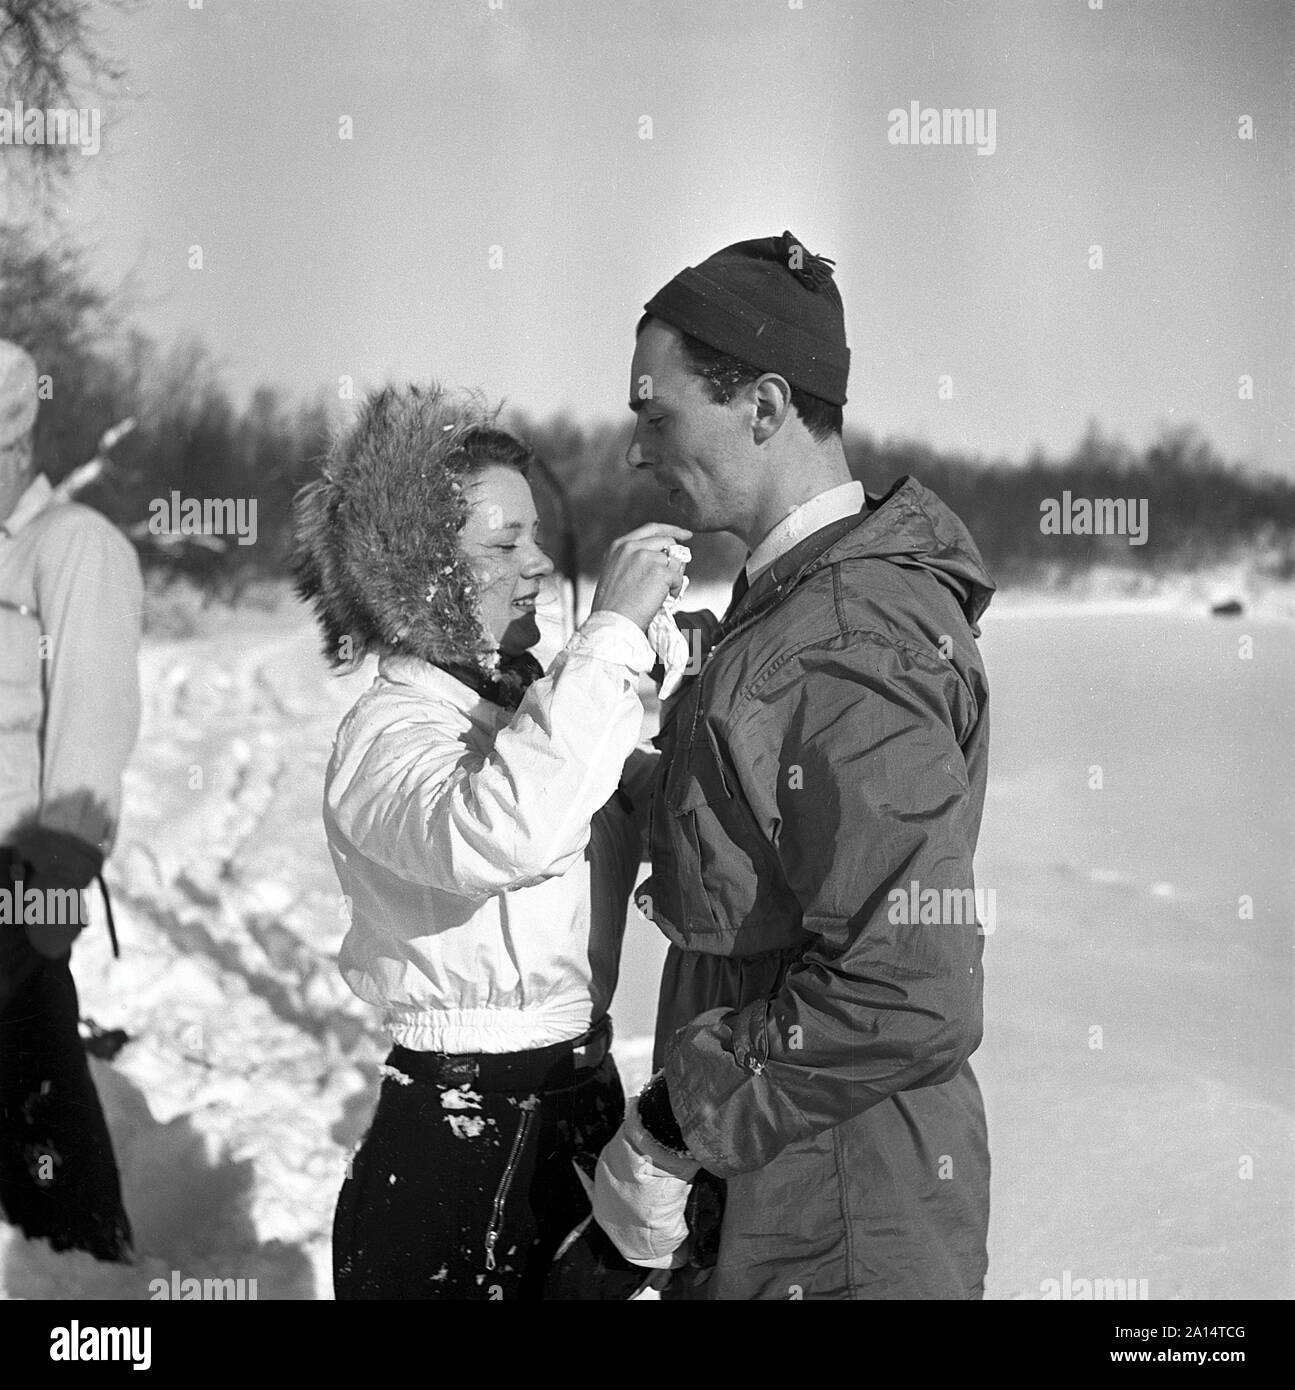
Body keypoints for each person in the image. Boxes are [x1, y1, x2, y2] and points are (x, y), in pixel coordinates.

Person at [592, 232, 996, 1299]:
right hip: (783, 1187)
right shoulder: (792, 605)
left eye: (654, 412)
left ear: (763, 408)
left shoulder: (845, 634)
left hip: (839, 1213)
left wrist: (681, 1117)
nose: (637, 447)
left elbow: (911, 984)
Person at [292, 382, 689, 1300]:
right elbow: (503, 831)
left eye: (537, 537)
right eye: (505, 544)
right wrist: (612, 638)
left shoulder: (521, 710)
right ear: (418, 569)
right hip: (458, 1143)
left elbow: (631, 792)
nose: (540, 565)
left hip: (578, 1101)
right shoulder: (387, 736)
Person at [0, 339, 142, 1262]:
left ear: (14, 438)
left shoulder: (73, 544)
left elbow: (92, 721)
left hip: (18, 872)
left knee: (34, 1085)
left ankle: (88, 1274)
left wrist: (49, 889)